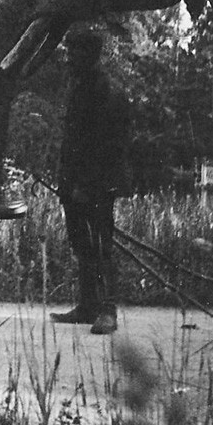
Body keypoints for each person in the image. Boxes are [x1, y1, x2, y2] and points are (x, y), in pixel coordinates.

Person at [51, 28, 131, 335]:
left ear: (91, 55)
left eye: (75, 54)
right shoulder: (80, 87)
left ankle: (107, 310)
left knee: (101, 245)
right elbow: (72, 141)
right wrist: (66, 182)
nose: (70, 59)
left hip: (99, 184)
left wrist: (86, 185)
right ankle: (87, 306)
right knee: (81, 244)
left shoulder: (107, 91)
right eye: (69, 52)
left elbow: (108, 147)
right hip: (76, 185)